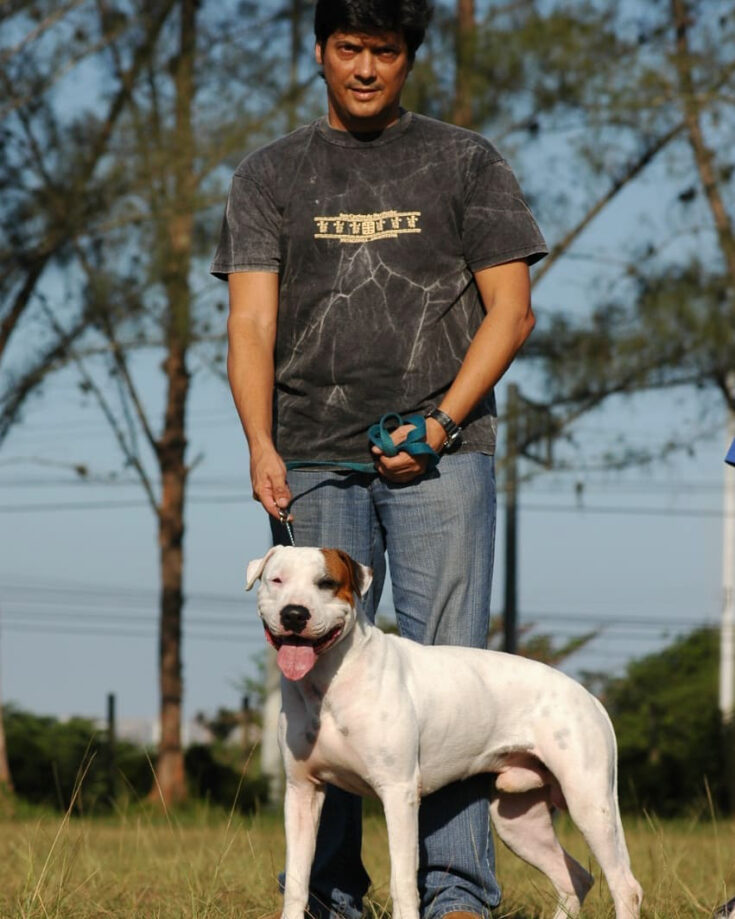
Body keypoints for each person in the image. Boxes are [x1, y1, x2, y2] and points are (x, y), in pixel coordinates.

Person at [211, 1, 547, 917]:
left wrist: (440, 423)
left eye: (384, 51)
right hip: (311, 454)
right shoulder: (270, 173)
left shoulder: (464, 161)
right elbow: (248, 321)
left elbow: (511, 311)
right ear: (319, 51)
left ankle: (456, 898)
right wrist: (258, 439)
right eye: (349, 48)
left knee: (450, 679)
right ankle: (325, 897)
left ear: (409, 58)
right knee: (314, 675)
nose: (365, 68)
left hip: (444, 455)